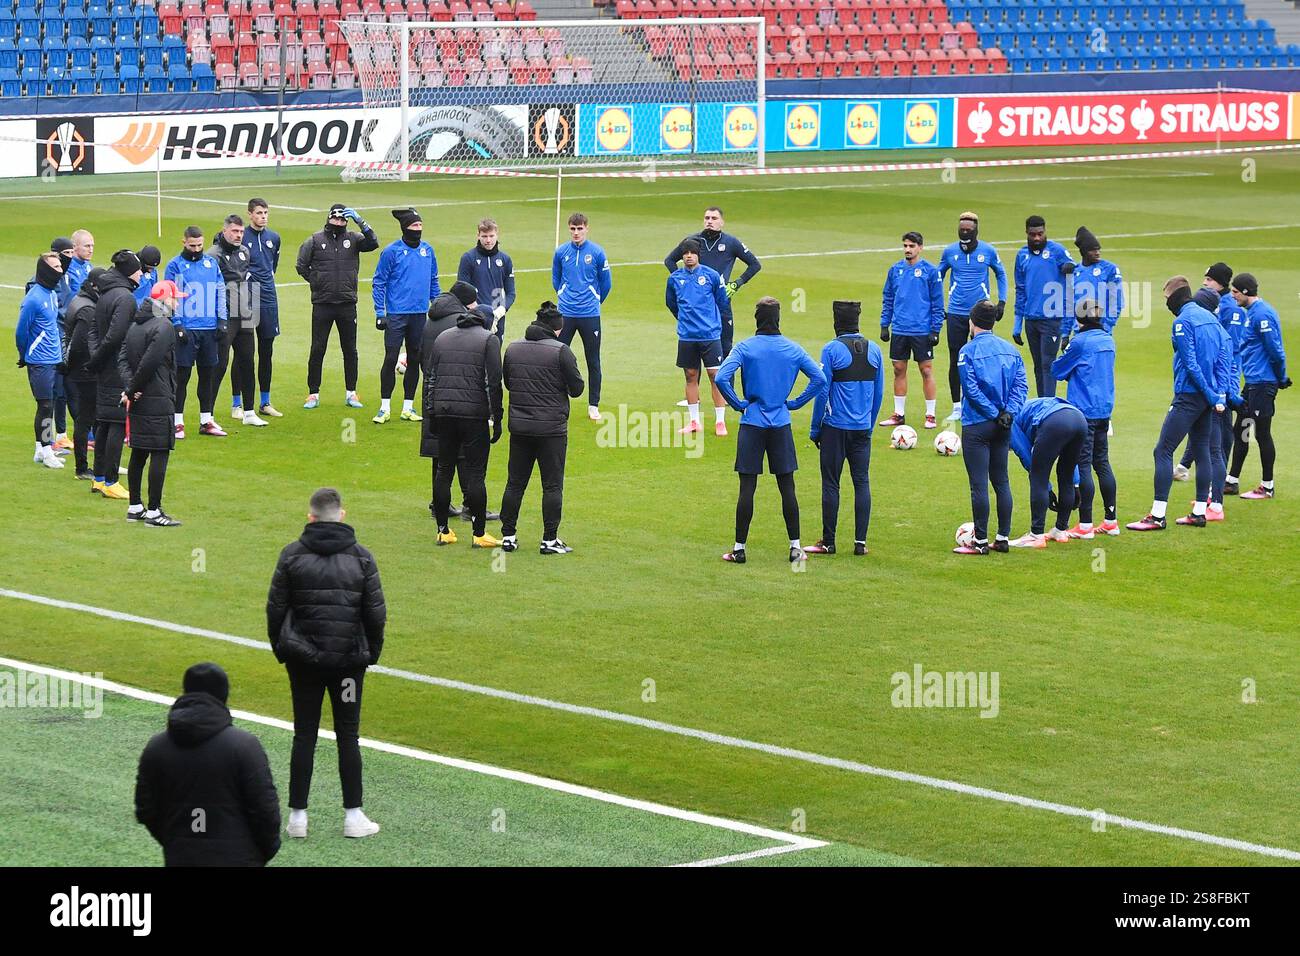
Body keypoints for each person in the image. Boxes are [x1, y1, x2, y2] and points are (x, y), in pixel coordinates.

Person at [266, 487, 386, 840]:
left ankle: (298, 817)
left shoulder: (291, 556)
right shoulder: (362, 558)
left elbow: (275, 609)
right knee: (348, 736)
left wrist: (283, 648)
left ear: (311, 517)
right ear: (342, 515)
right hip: (349, 663)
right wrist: (370, 654)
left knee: (304, 734)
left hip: (303, 661)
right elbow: (376, 613)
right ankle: (353, 815)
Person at [135, 662, 282, 867]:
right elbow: (266, 811)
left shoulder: (156, 747)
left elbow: (146, 809)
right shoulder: (244, 746)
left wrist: (176, 842)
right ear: (223, 696)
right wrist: (259, 854)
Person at [716, 297, 826, 564]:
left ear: (756, 320)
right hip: (780, 423)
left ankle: (739, 549)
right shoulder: (792, 349)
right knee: (787, 487)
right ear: (778, 319)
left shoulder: (745, 347)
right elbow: (819, 379)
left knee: (747, 488)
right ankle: (796, 548)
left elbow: (721, 377)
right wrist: (795, 403)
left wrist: (738, 404)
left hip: (751, 423)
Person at [1128, 276, 1231, 531]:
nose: (1166, 304)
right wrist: (1218, 394)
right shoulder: (1212, 320)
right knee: (1202, 450)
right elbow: (1222, 359)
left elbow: (1190, 363)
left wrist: (1209, 394)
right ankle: (1199, 513)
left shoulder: (1182, 321)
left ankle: (1158, 515)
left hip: (1189, 396)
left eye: (1166, 299)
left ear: (1175, 297)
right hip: (1207, 399)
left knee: (1162, 450)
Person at [500, 301, 585, 554]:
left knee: (515, 483)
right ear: (556, 328)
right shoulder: (561, 351)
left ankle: (508, 536)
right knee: (552, 485)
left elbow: (508, 383)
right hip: (552, 430)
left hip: (520, 427)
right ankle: (549, 540)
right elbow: (578, 389)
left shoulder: (513, 349)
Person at [806, 300, 883, 557]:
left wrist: (816, 428)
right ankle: (860, 543)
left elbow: (821, 391)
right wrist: (869, 425)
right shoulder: (875, 350)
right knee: (862, 482)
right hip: (862, 429)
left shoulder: (831, 350)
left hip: (835, 428)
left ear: (836, 322)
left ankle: (828, 541)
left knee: (831, 483)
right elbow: (879, 394)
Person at [954, 300, 1028, 555]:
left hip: (977, 424)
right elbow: (1021, 386)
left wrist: (993, 412)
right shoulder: (1011, 350)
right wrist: (1008, 413)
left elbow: (971, 390)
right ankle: (1003, 538)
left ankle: (981, 542)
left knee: (979, 485)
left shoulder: (967, 352)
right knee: (1002, 481)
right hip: (1003, 425)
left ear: (972, 322)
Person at [429, 298, 504, 549]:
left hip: (444, 411)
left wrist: (431, 412)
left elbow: (431, 378)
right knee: (475, 473)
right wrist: (498, 417)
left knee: (444, 470)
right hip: (473, 414)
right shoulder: (488, 340)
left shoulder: (443, 337)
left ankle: (443, 531)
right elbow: (494, 383)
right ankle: (479, 533)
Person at [298, 204, 378, 409]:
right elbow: (301, 265)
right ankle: (313, 393)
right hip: (323, 303)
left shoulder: (354, 238)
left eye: (343, 220)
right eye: (336, 219)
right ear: (329, 218)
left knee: (350, 349)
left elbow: (373, 243)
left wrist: (361, 221)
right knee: (318, 348)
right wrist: (316, 282)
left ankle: (351, 393)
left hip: (347, 303)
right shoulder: (315, 240)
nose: (339, 223)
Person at [1174, 262, 1245, 494]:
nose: (1205, 282)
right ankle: (1189, 468)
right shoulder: (1207, 303)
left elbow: (1230, 351)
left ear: (1221, 283)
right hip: (1208, 379)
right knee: (1205, 426)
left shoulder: (1230, 309)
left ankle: (1221, 485)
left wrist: (1228, 388)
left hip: (1221, 379)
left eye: (1210, 280)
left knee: (1220, 431)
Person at [663, 205, 762, 369]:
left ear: (722, 222)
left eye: (714, 218)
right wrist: (683, 283)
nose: (710, 221)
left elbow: (754, 264)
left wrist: (736, 284)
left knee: (725, 350)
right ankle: (695, 395)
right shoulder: (692, 242)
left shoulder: (731, 242)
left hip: (721, 302)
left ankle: (726, 393)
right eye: (707, 218)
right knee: (693, 360)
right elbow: (669, 260)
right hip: (697, 304)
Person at [1051, 299, 1119, 538]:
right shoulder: (1108, 339)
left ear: (1079, 318)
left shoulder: (1079, 342)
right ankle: (1111, 519)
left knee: (1083, 464)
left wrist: (1066, 349)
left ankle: (1086, 524)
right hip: (1104, 409)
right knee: (1102, 462)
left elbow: (1057, 371)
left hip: (1084, 411)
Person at [119, 279, 183, 527]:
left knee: (139, 451)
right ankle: (154, 511)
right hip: (158, 396)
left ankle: (135, 507)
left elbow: (123, 358)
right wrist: (133, 388)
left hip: (140, 398)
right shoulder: (164, 326)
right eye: (175, 298)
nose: (177, 303)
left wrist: (130, 389)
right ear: (166, 300)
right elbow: (150, 361)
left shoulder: (135, 325)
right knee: (159, 451)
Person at [420, 281, 484, 521]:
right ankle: (471, 506)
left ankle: (440, 504)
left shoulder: (432, 320)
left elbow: (422, 357)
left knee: (440, 455)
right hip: (459, 395)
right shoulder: (461, 323)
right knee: (465, 453)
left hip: (433, 394)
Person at [372, 207, 439, 424]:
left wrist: (437, 307)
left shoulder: (428, 251)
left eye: (420, 226)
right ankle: (384, 407)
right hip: (397, 315)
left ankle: (407, 407)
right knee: (391, 358)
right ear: (405, 228)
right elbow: (379, 281)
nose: (418, 230)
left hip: (420, 315)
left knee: (415, 358)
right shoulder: (391, 252)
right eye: (414, 226)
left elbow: (433, 281)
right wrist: (380, 312)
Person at [938, 211, 1007, 423]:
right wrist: (939, 304)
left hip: (981, 312)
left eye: (968, 229)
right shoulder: (950, 251)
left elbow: (1001, 273)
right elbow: (937, 276)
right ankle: (957, 406)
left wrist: (1001, 301)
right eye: (962, 228)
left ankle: (982, 403)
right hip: (956, 313)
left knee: (982, 359)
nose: (965, 231)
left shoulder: (988, 251)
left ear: (976, 230)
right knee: (955, 359)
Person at [1226, 272, 1289, 500]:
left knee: (1261, 433)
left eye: (1234, 291)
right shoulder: (1251, 313)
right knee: (1240, 428)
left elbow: (1275, 349)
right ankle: (1232, 480)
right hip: (1253, 382)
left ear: (1245, 292)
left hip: (1263, 383)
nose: (1232, 296)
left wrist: (1281, 377)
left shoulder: (1262, 315)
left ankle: (1267, 486)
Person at [86, 250, 142, 497]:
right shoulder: (126, 298)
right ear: (130, 271)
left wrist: (95, 359)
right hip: (117, 367)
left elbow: (94, 332)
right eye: (139, 269)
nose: (142, 273)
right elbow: (116, 335)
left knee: (104, 423)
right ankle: (110, 482)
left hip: (103, 366)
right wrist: (102, 359)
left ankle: (98, 479)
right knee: (117, 423)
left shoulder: (105, 294)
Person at [877, 231, 944, 430]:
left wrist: (935, 329)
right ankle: (899, 414)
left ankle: (930, 415)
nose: (908, 249)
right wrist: (884, 324)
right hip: (899, 328)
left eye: (911, 246)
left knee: (926, 370)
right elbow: (888, 298)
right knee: (898, 369)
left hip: (922, 330)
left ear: (920, 248)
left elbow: (937, 302)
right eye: (905, 246)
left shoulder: (930, 272)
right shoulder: (895, 270)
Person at [165, 227, 227, 438]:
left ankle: (206, 420)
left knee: (207, 375)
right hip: (188, 328)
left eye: (200, 245)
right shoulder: (175, 265)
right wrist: (177, 324)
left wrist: (222, 320)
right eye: (192, 245)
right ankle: (177, 422)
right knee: (182, 376)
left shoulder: (211, 264)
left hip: (209, 328)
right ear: (184, 242)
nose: (197, 249)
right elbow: (169, 296)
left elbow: (220, 292)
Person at [665, 237, 730, 436]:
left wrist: (710, 321)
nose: (689, 257)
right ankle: (694, 421)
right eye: (685, 253)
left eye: (692, 253)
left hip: (710, 335)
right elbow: (671, 304)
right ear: (682, 256)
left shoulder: (711, 276)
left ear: (698, 254)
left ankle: (720, 422)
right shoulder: (675, 278)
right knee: (690, 376)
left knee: (715, 377)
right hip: (687, 336)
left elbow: (722, 301)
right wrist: (684, 319)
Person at [1008, 397, 1089, 548]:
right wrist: (1075, 483)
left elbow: (1026, 456)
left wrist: (1048, 488)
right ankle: (1060, 530)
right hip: (1079, 419)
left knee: (1039, 477)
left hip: (1055, 422)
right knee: (1066, 475)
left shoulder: (1008, 421)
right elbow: (1070, 467)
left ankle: (1036, 535)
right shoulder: (1027, 407)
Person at [552, 212, 611, 421]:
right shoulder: (561, 252)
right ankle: (556, 401)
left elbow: (606, 284)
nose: (576, 232)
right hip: (565, 313)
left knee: (593, 360)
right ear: (569, 229)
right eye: (573, 229)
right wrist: (562, 294)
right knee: (556, 357)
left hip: (589, 315)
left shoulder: (597, 252)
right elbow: (556, 278)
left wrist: (594, 300)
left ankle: (593, 405)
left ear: (587, 228)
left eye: (580, 228)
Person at [209, 214, 266, 428]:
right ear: (225, 231)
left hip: (244, 314)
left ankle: (249, 412)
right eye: (235, 231)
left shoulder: (244, 252)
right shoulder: (213, 255)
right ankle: (209, 415)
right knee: (220, 365)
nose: (238, 235)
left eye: (241, 232)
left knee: (247, 362)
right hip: (225, 316)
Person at [1013, 215, 1076, 397]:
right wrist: (1018, 322)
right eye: (1033, 234)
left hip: (1052, 319)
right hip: (1031, 319)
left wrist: (1070, 267)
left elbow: (1074, 267)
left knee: (1048, 364)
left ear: (1045, 231)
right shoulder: (1022, 255)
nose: (1037, 238)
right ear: (1027, 233)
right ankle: (1042, 403)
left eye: (1040, 234)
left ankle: (1048, 408)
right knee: (1038, 366)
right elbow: (1020, 289)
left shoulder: (1057, 251)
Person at [15, 251, 65, 470]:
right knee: (44, 405)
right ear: (44, 270)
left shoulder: (52, 294)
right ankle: (46, 451)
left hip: (53, 358)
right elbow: (20, 332)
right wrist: (24, 355)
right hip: (39, 361)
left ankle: (40, 449)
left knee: (50, 404)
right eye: (55, 267)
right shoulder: (33, 299)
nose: (60, 271)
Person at [63, 266, 107, 480]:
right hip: (86, 371)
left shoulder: (80, 300)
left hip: (79, 369)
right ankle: (83, 467)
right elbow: (81, 344)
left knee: (88, 417)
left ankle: (97, 465)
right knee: (88, 417)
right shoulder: (88, 309)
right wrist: (95, 365)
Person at [242, 197, 283, 418]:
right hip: (246, 297)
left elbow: (272, 266)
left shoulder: (274, 238)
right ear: (250, 214)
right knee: (244, 352)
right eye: (259, 213)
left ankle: (265, 402)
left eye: (265, 213)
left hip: (268, 296)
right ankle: (237, 404)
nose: (263, 217)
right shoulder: (241, 236)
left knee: (267, 351)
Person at [457, 217, 516, 342]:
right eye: (484, 236)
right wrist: (478, 311)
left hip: (497, 316)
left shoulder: (505, 260)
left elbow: (511, 292)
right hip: (474, 317)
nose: (488, 240)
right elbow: (462, 290)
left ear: (497, 235)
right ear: (478, 236)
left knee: (494, 354)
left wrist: (501, 310)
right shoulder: (468, 258)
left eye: (491, 236)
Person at [1068, 227, 1124, 335]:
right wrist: (1066, 333)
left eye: (1098, 249)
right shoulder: (1075, 272)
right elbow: (1069, 304)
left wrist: (1106, 327)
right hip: (1079, 331)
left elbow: (1116, 302)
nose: (1097, 253)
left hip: (1102, 330)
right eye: (1093, 250)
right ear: (1084, 251)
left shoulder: (1109, 269)